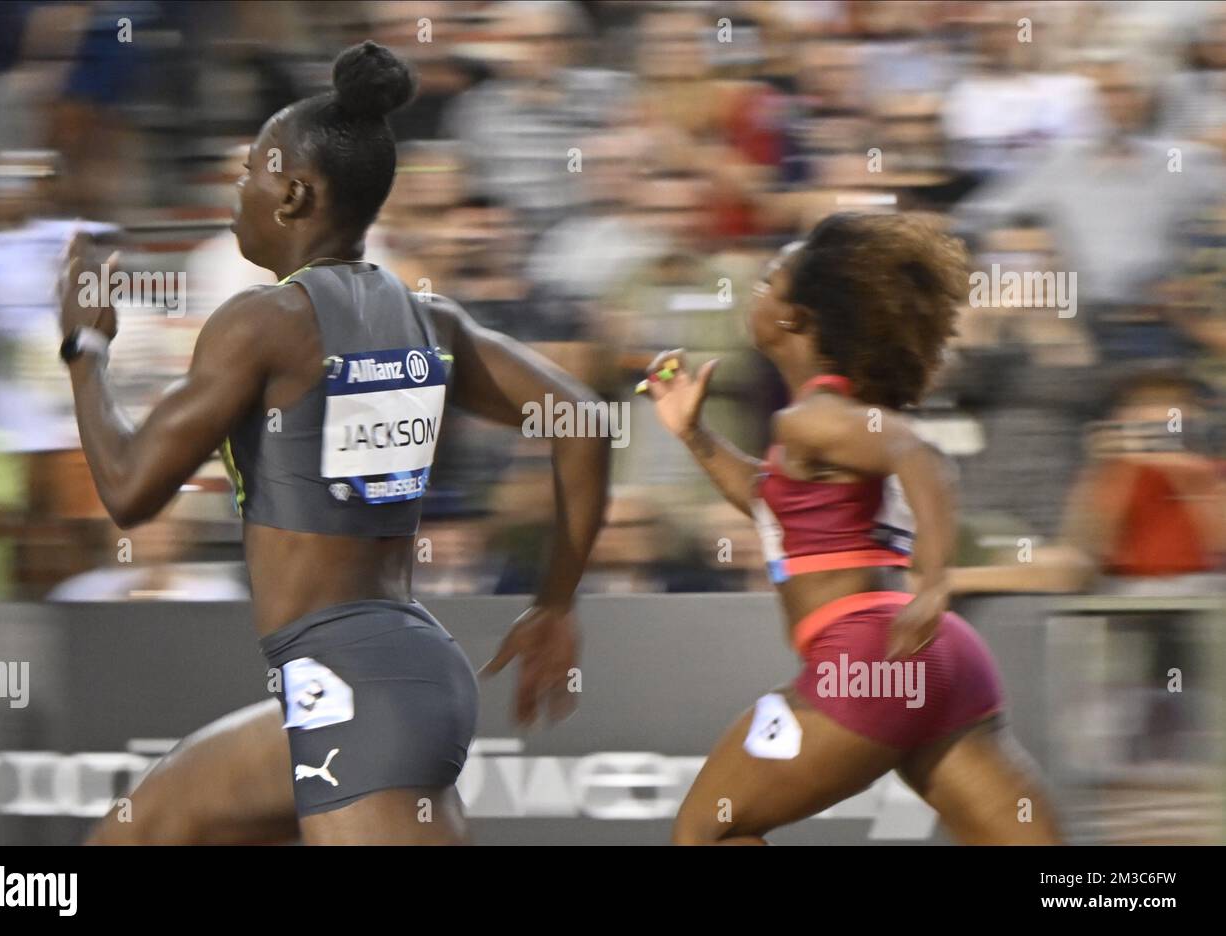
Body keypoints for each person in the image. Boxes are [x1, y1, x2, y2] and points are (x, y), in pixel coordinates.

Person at [62, 41, 609, 845]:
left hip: (356, 687)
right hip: (373, 676)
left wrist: (86, 350)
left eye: (249, 170)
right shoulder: (432, 319)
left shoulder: (261, 322)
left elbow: (130, 489)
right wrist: (556, 603)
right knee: (139, 831)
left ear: (293, 194)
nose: (234, 186)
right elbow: (586, 421)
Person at [648, 213, 1059, 845]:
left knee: (707, 830)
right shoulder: (838, 423)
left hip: (866, 660)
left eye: (765, 284)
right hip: (945, 665)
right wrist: (695, 434)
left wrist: (933, 581)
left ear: (794, 318)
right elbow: (770, 503)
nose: (751, 295)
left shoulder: (813, 420)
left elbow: (924, 460)